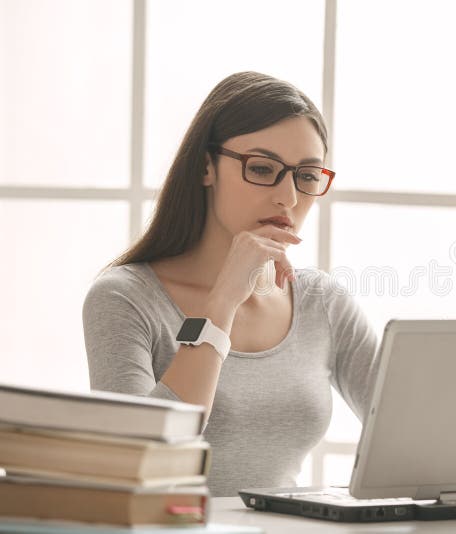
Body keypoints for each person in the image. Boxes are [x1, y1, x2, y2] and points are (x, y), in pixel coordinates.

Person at [82, 71, 378, 497]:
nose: (288, 198)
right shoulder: (124, 297)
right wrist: (222, 302)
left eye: (307, 177)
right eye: (262, 168)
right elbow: (139, 457)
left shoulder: (322, 301)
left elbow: (411, 432)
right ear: (206, 165)